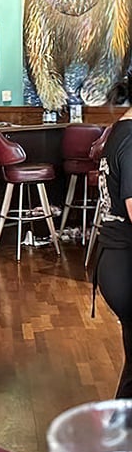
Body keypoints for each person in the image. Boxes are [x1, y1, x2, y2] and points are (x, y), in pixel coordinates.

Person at [95, 102, 132, 398]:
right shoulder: (131, 139)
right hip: (125, 263)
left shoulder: (119, 131)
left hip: (114, 258)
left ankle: (119, 436)